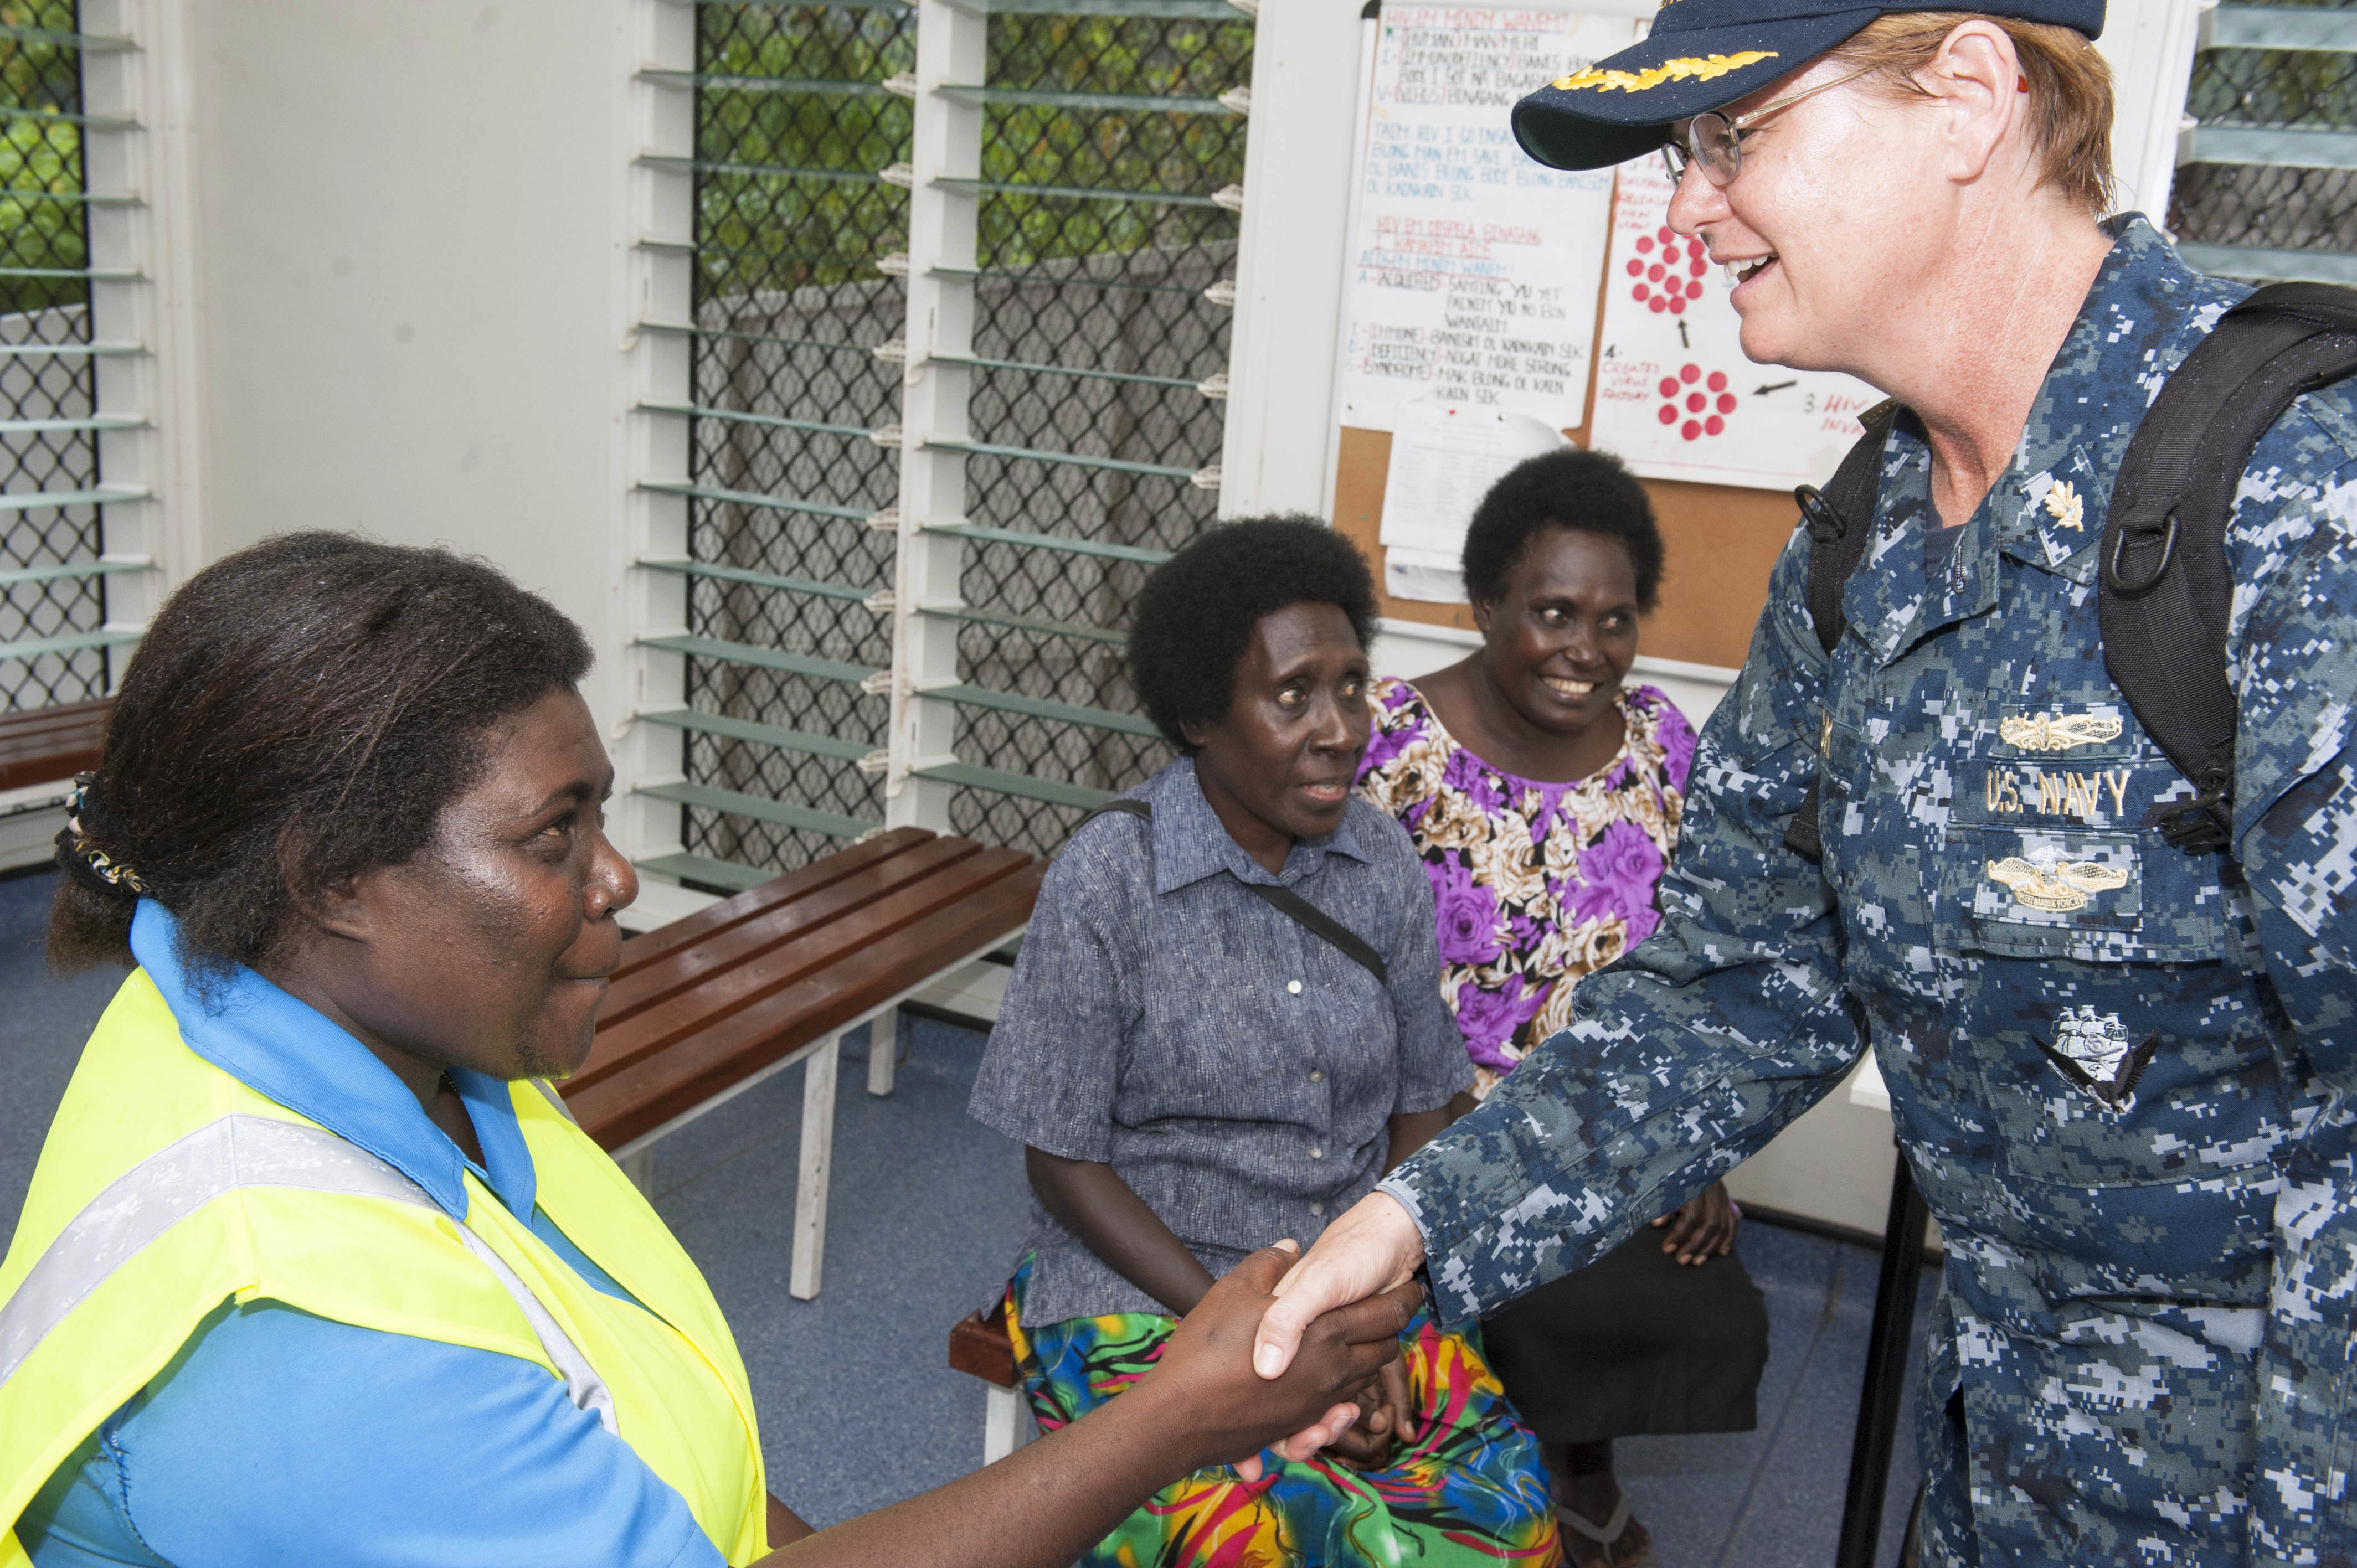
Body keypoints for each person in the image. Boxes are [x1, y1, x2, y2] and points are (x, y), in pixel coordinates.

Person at [1249, 4, 2357, 1564]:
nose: (1688, 205)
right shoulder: (1862, 544)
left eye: (1733, 136)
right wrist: (1414, 1225)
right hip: (2001, 1470)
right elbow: (1738, 987)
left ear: (1970, 96)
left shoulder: (2305, 504)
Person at [0, 533, 1419, 1568]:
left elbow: (664, 1472)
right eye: (554, 833)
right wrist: (1179, 1413)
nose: (617, 879)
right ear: (326, 878)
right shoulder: (293, 1344)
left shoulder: (384, 1053)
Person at [967, 518, 1562, 1566]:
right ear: (1201, 714)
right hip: (1151, 1291)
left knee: (1508, 1526)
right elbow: (1061, 1162)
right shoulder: (1109, 880)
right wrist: (1252, 1336)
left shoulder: (1378, 860)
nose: (1341, 729)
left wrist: (1367, 1308)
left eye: (1351, 686)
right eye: (1294, 696)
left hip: (1349, 1279)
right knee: (1258, 1542)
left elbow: (1426, 1102)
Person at [1355, 447, 1767, 1567]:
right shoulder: (1387, 748)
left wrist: (1693, 1151)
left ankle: (1577, 1458)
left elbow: (1690, 964)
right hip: (1420, 1118)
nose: (1585, 649)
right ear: (1486, 604)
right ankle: (1488, 1473)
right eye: (1551, 612)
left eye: (1614, 619)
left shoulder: (1657, 748)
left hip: (1599, 1119)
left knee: (1697, 1293)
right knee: (1510, 1290)